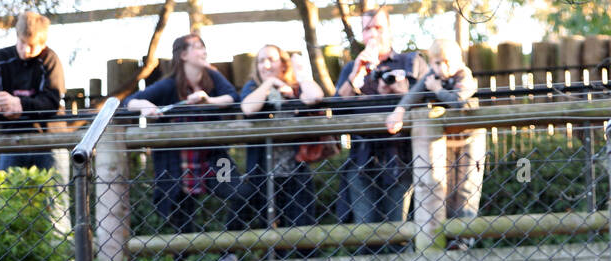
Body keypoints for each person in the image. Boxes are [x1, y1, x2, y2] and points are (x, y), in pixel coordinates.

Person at [126, 33, 240, 235]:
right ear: (183, 55)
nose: (203, 51)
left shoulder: (213, 77)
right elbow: (131, 101)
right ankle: (185, 260)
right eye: (197, 47)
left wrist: (208, 101)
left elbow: (232, 97)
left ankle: (227, 250)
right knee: (178, 209)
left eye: (204, 46)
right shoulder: (168, 84)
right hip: (177, 164)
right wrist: (146, 106)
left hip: (215, 159)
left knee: (239, 193)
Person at [385, 38, 483, 247]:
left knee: (466, 189)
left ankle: (464, 241)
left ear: (458, 61)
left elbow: (460, 101)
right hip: (445, 141)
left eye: (447, 62)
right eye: (437, 63)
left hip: (469, 140)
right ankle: (446, 239)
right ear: (431, 63)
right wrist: (399, 111)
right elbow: (412, 95)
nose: (442, 68)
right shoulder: (431, 76)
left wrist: (437, 89)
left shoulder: (464, 75)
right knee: (444, 190)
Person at [335, 7, 427, 225]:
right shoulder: (351, 67)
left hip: (403, 158)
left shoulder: (411, 61)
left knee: (400, 229)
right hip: (362, 160)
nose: (373, 34)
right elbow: (337, 110)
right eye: (367, 29)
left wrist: (398, 91)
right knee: (365, 230)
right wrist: (356, 75)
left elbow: (426, 99)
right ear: (361, 34)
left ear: (390, 31)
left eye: (378, 27)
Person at [236, 45, 330, 231]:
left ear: (283, 64)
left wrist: (301, 73)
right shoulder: (253, 87)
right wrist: (269, 84)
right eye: (261, 60)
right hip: (263, 173)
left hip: (296, 170)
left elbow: (315, 96)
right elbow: (248, 108)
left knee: (303, 228)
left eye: (272, 59)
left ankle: (305, 259)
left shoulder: (295, 88)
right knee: (269, 230)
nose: (266, 65)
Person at [0, 10, 65, 171]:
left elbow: (51, 101)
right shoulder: (0, 59)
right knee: (9, 194)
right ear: (17, 36)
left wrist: (20, 105)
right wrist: (1, 110)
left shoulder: (50, 59)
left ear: (43, 44)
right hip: (13, 139)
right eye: (22, 42)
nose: (25, 50)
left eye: (32, 45)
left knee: (53, 194)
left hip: (48, 140)